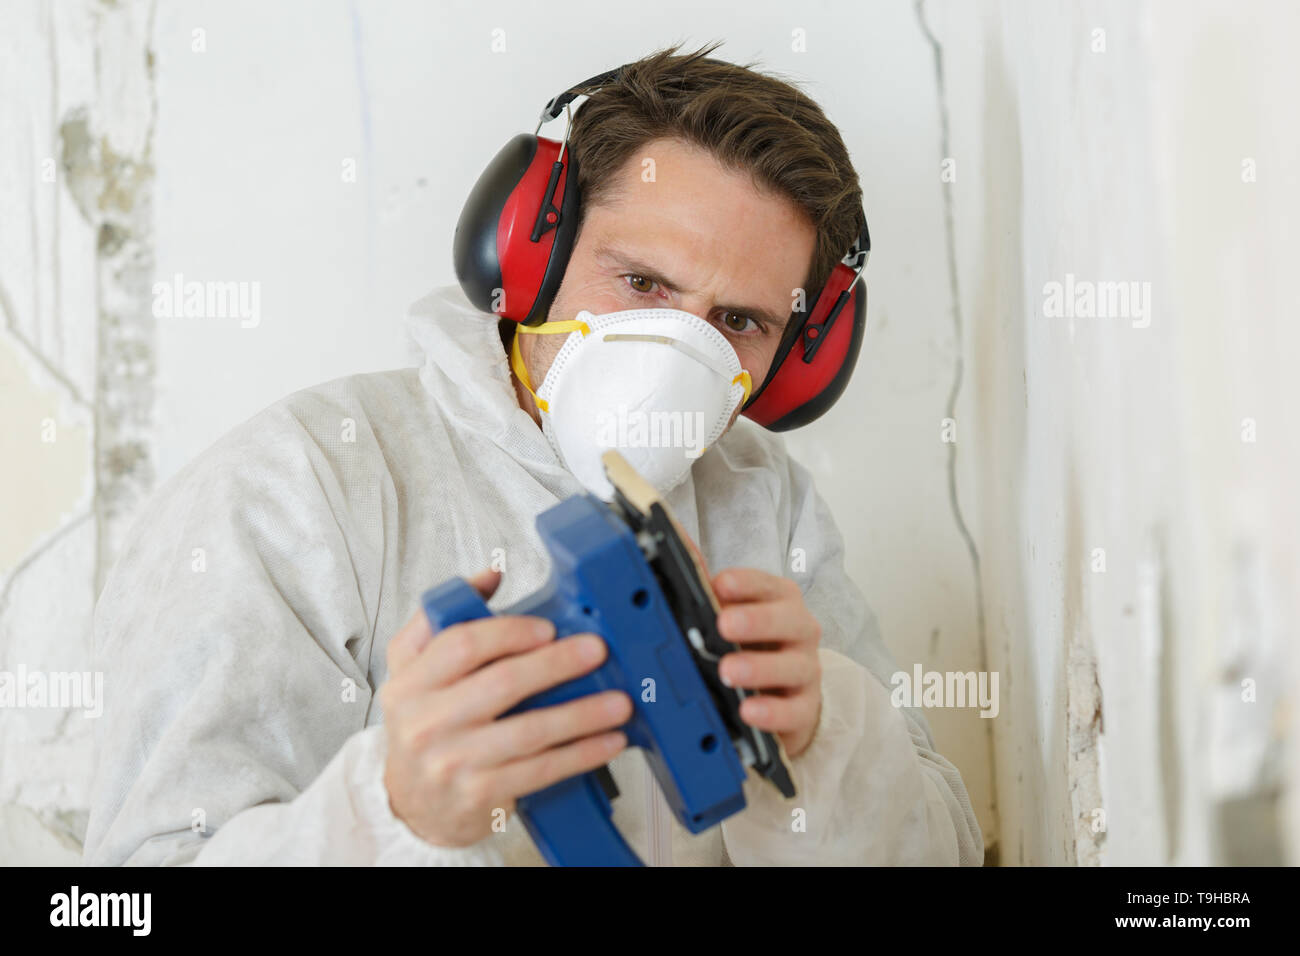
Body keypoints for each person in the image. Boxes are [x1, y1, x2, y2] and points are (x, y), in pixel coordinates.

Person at [83, 44, 983, 866]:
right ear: (530, 253)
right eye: (640, 283)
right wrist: (389, 814)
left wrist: (830, 742)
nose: (676, 348)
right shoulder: (304, 481)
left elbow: (943, 847)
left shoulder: (765, 503)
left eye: (739, 322)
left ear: (794, 368)